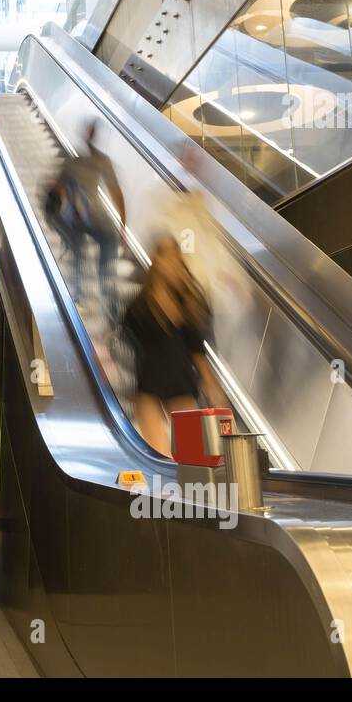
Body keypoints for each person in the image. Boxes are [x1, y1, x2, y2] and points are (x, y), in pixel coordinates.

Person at [122, 235, 226, 457]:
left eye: (176, 260)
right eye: (167, 258)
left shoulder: (186, 303)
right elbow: (126, 349)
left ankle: (189, 489)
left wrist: (210, 382)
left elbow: (197, 350)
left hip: (181, 386)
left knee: (194, 457)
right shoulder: (138, 306)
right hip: (147, 389)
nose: (172, 264)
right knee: (159, 456)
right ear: (156, 259)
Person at [46, 120, 126, 309]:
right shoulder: (71, 162)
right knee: (77, 251)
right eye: (90, 132)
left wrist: (123, 224)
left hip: (91, 218)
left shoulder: (99, 161)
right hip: (74, 219)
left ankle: (104, 297)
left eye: (93, 133)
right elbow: (56, 191)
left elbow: (116, 192)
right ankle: (78, 296)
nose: (91, 136)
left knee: (104, 245)